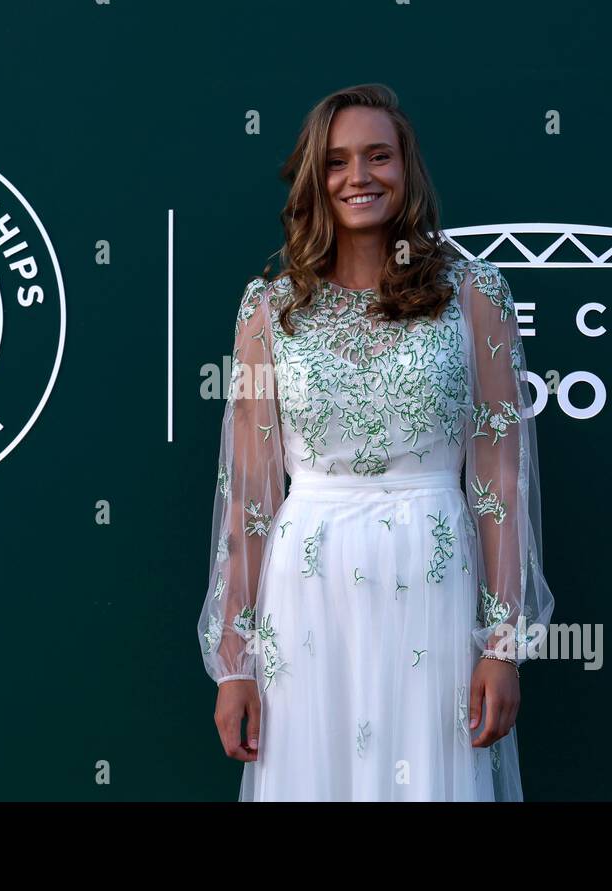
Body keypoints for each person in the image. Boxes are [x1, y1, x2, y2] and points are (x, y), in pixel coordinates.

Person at [197, 83, 554, 801]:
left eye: (377, 156)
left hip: (433, 577)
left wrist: (503, 644)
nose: (358, 176)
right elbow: (250, 496)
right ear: (314, 180)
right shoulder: (269, 307)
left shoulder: (474, 293)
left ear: (407, 167)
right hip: (305, 592)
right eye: (336, 162)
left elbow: (500, 477)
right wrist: (235, 662)